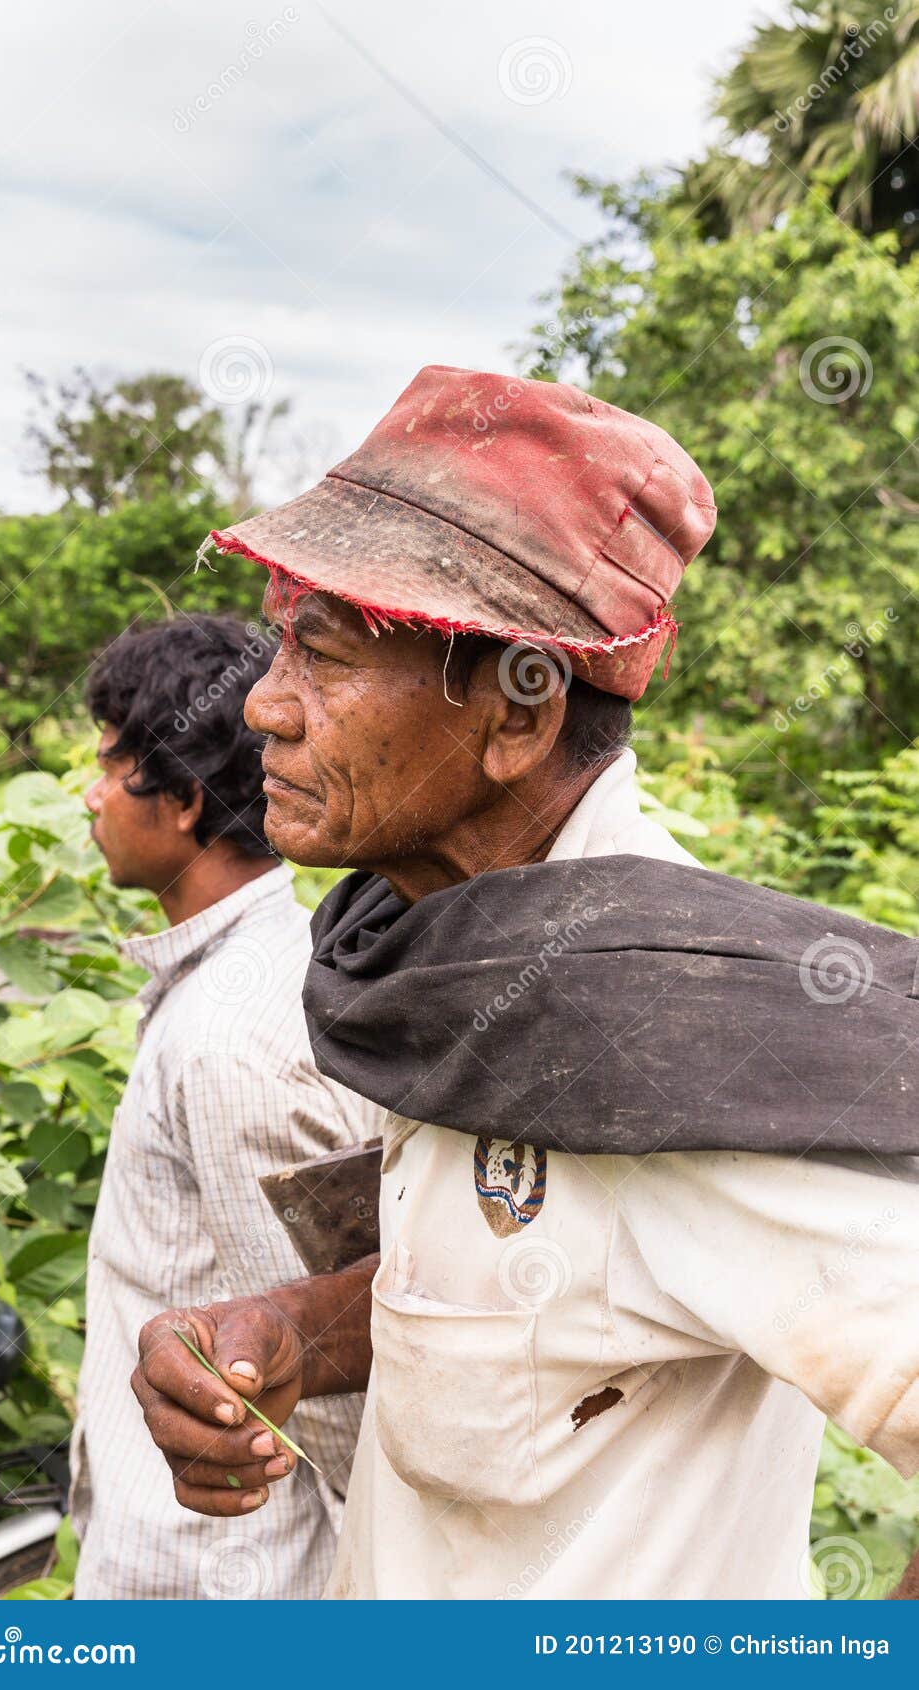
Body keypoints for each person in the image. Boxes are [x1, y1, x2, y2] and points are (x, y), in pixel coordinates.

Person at [130, 368, 919, 1601]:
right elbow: (524, 1283)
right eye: (280, 644)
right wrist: (290, 1330)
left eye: (322, 655)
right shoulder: (463, 961)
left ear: (518, 715)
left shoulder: (683, 1039)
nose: (264, 706)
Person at [71, 613, 382, 1600]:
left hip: (216, 1579)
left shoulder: (228, 1038)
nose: (90, 796)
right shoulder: (261, 963)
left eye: (110, 766)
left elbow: (318, 1360)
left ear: (182, 800)